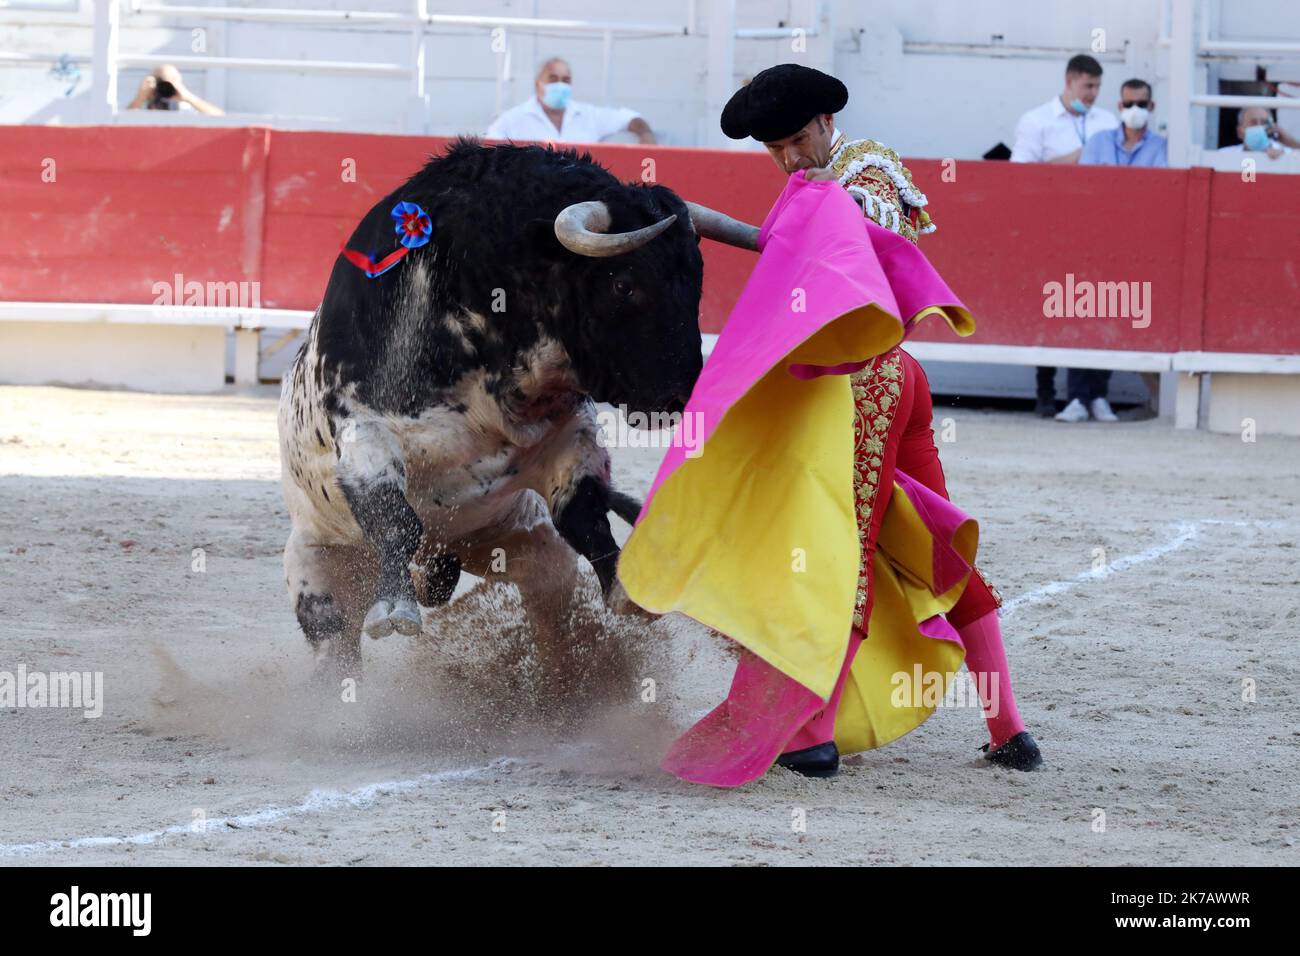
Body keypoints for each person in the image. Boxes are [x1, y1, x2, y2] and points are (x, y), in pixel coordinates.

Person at [619, 64, 1041, 786]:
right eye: (773, 149)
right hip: (890, 381)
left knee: (836, 547)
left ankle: (812, 737)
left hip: (866, 387)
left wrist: (814, 213)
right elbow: (809, 253)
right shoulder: (817, 184)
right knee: (932, 547)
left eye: (793, 142)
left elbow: (860, 235)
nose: (786, 158)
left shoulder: (867, 167)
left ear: (822, 124)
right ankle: (1010, 733)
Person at [1013, 54, 1119, 416]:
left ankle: (1093, 394)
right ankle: (1046, 392)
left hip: (1100, 228)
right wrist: (1080, 157)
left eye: (1097, 87)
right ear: (1070, 81)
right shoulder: (1037, 120)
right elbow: (1020, 175)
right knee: (1051, 305)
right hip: (1051, 226)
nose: (1092, 94)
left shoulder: (1109, 121)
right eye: (1088, 86)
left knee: (1100, 302)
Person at [486, 57, 656, 144]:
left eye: (566, 80)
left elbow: (629, 118)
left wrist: (646, 134)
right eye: (553, 78)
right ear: (538, 85)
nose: (560, 84)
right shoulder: (513, 119)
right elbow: (489, 147)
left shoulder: (588, 116)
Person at [1079, 78, 1167, 167]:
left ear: (1151, 106)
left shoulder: (1161, 146)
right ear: (1120, 106)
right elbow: (1085, 178)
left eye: (1141, 104)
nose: (1134, 109)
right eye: (1128, 104)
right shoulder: (1098, 141)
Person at [126, 64, 224, 115]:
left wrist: (189, 98)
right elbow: (120, 124)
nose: (164, 86)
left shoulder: (185, 107)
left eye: (170, 81)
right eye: (160, 81)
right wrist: (140, 97)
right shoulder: (141, 107)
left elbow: (221, 119)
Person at [1216, 106, 1294, 160]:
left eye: (1264, 122)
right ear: (1240, 132)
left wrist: (1283, 159)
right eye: (1253, 123)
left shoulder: (1286, 153)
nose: (1259, 127)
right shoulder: (1222, 155)